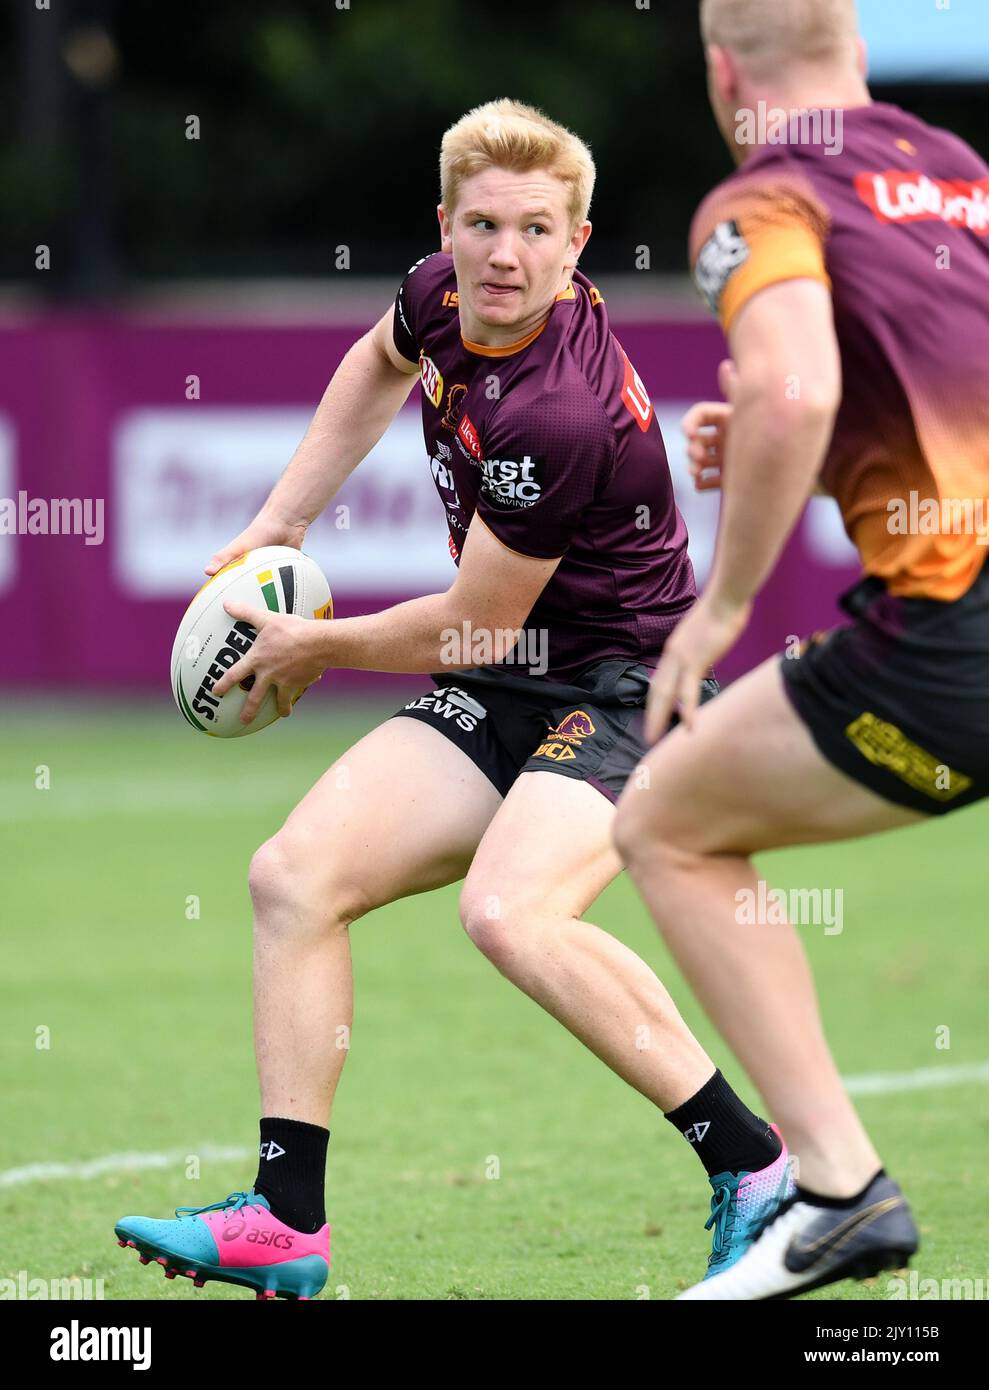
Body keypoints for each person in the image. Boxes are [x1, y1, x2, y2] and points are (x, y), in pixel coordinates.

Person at [115, 99, 792, 1301]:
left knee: (509, 914)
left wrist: (310, 646)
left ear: (577, 242)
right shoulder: (440, 294)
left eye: (536, 230)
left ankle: (757, 1171)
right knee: (293, 878)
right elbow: (375, 363)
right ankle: (285, 1220)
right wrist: (280, 520)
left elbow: (471, 617)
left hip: (627, 686)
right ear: (445, 224)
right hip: (506, 678)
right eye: (481, 224)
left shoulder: (553, 412)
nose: (502, 254)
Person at [613, 0, 989, 1299]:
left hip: (959, 635)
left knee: (664, 819)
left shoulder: (757, 198)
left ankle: (837, 1185)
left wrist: (717, 610)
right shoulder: (954, 173)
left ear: (724, 74)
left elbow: (790, 386)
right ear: (862, 57)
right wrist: (819, 459)